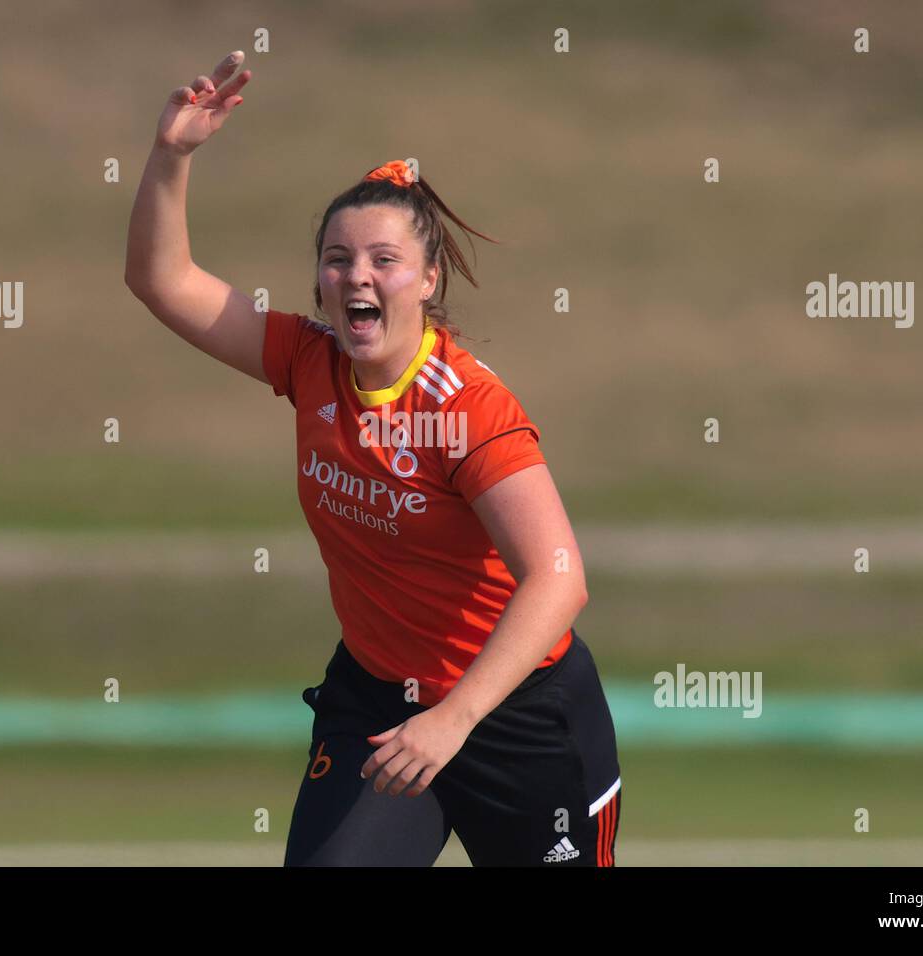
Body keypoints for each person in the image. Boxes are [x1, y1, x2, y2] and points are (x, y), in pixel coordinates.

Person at [125, 51, 621, 866]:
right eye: (337, 258)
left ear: (427, 279)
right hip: (378, 705)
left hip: (516, 715)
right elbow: (160, 278)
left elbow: (560, 577)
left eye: (383, 261)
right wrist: (172, 155)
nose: (357, 275)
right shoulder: (307, 359)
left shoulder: (465, 409)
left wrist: (453, 719)